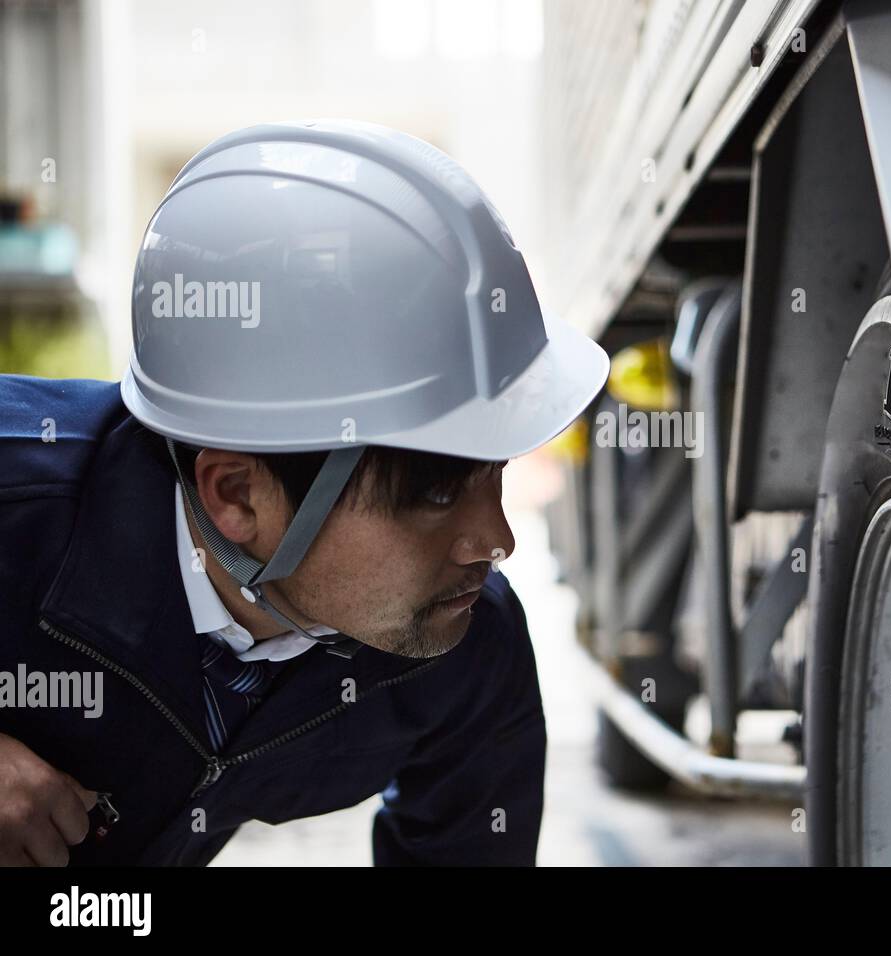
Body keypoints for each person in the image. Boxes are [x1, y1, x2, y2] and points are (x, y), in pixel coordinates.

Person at [0, 119, 608, 865]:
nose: (498, 541)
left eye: (496, 473)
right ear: (237, 496)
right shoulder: (21, 501)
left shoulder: (467, 644)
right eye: (438, 495)